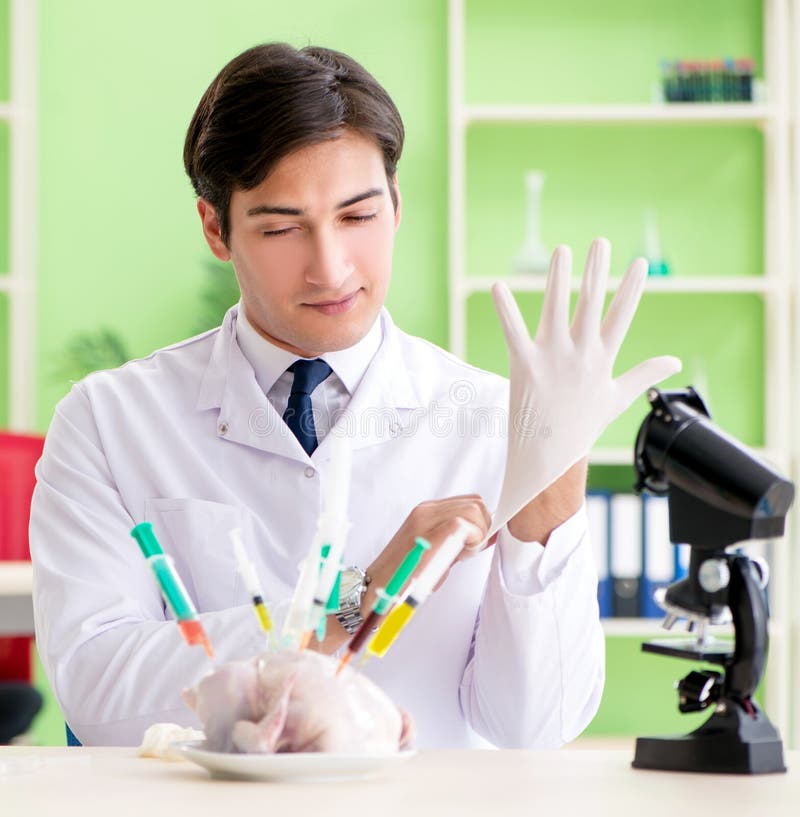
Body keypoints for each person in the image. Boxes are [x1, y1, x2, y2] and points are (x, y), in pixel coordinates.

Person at [30, 43, 678, 749]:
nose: (331, 268)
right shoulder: (109, 420)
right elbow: (97, 693)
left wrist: (553, 493)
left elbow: (535, 725)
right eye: (281, 228)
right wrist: (351, 599)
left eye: (358, 217)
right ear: (216, 228)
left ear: (396, 206)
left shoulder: (498, 421)